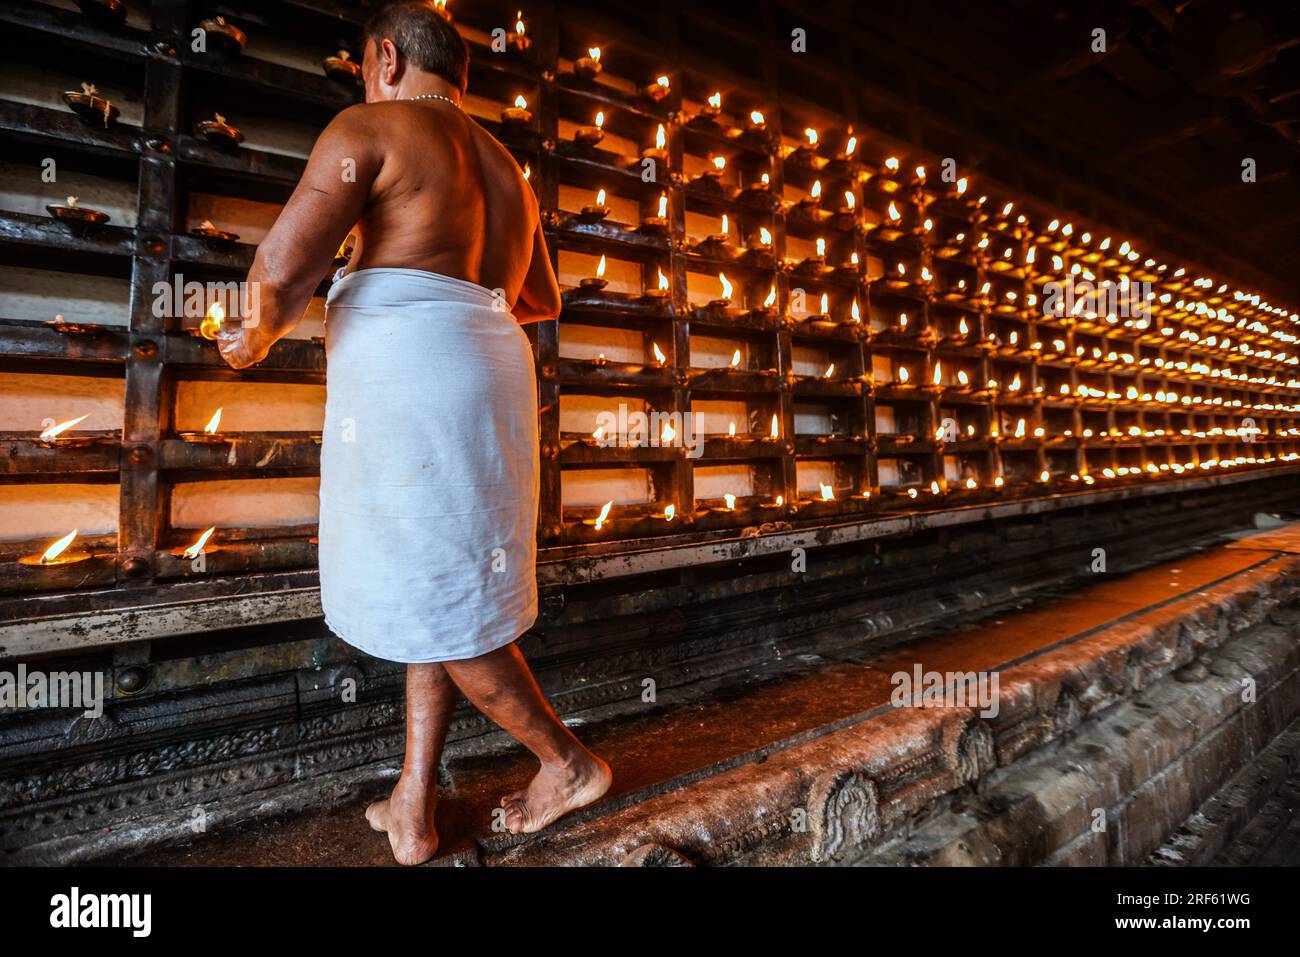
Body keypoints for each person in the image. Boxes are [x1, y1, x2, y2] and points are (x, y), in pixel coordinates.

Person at [218, 0, 611, 866]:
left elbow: (279, 272)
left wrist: (248, 338)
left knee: (443, 602)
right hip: (490, 365)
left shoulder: (371, 124)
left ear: (385, 59)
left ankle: (567, 762)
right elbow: (541, 298)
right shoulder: (508, 167)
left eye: (366, 67)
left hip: (413, 375)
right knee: (437, 584)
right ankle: (413, 802)